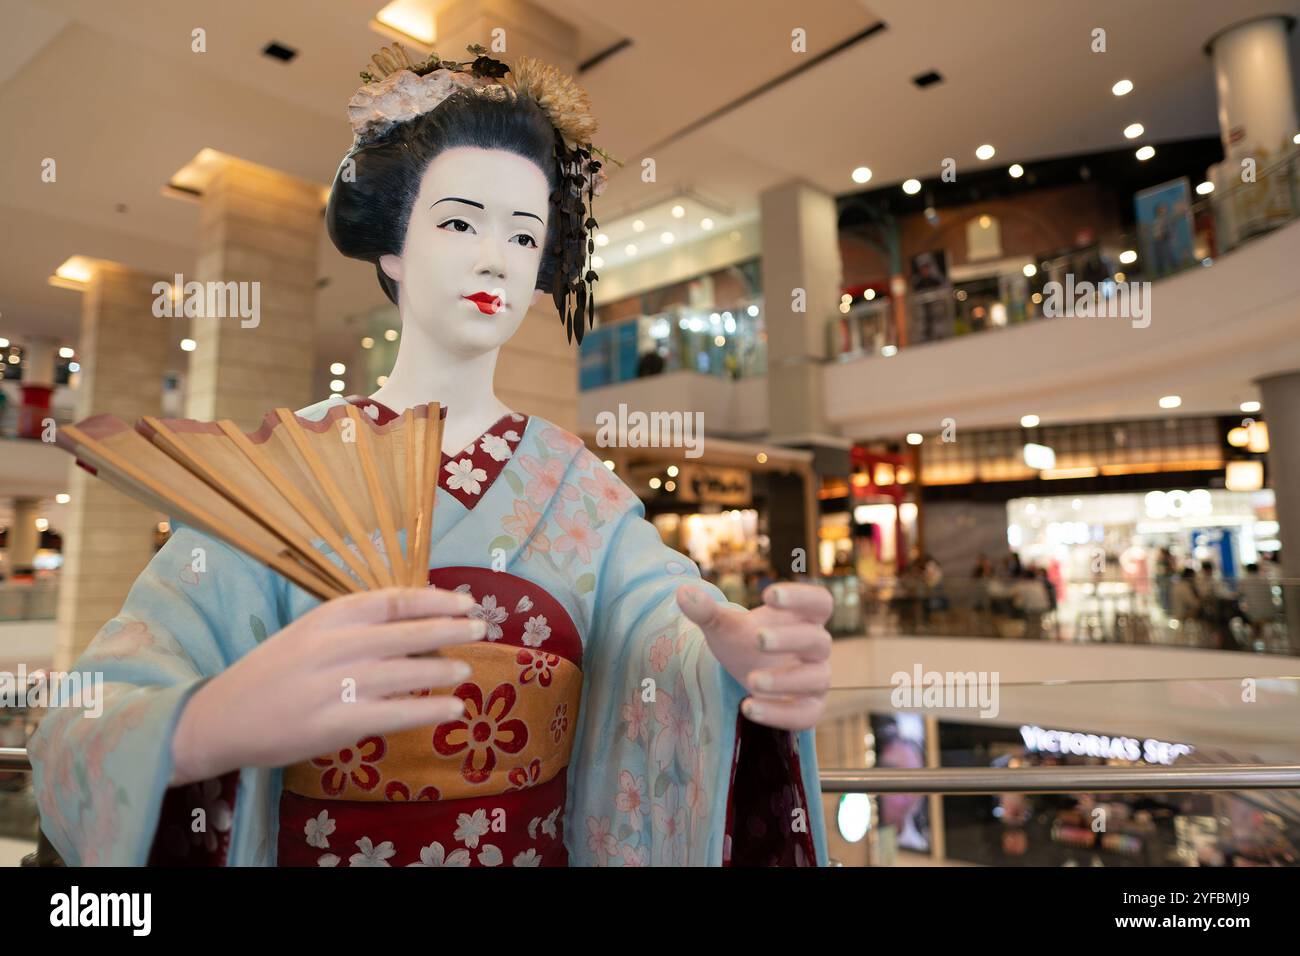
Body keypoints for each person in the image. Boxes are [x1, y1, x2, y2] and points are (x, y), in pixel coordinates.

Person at [28, 45, 833, 868]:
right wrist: (206, 722)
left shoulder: (576, 487)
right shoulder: (289, 471)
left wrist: (732, 670)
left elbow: (665, 637)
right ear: (391, 248)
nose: (496, 257)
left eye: (525, 235)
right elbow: (98, 704)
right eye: (459, 222)